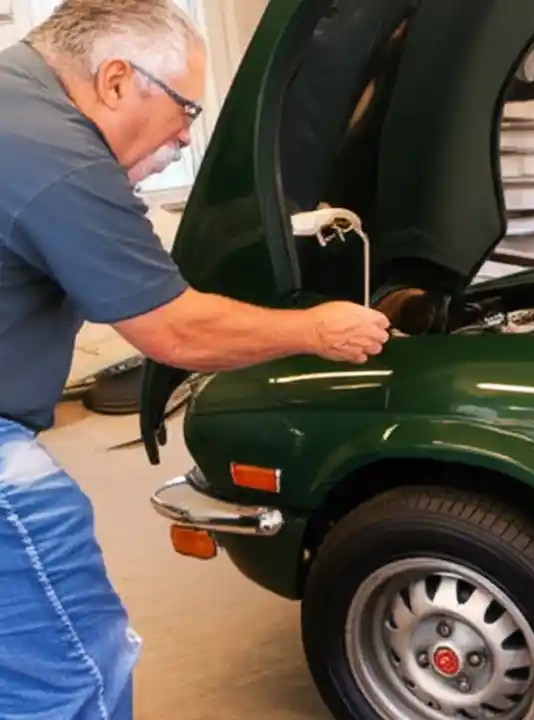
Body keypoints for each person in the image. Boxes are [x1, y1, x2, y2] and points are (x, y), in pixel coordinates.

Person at [0, 2, 390, 718]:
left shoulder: (13, 103)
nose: (185, 135)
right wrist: (316, 330)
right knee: (75, 667)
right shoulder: (54, 154)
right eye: (183, 109)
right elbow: (173, 333)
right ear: (116, 80)